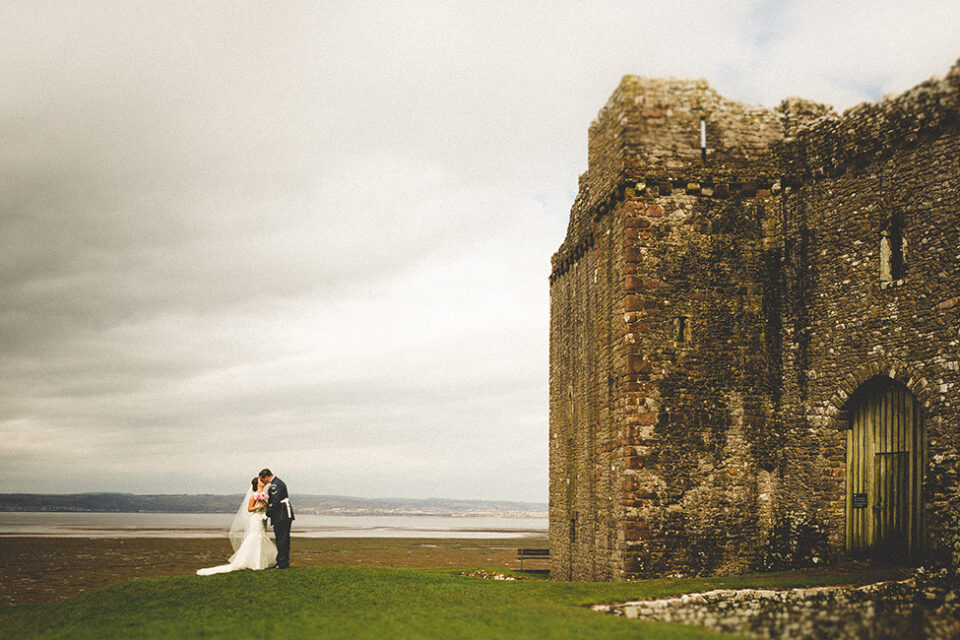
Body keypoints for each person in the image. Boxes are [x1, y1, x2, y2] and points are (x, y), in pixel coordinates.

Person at [196, 476, 277, 575]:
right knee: (256, 537)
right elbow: (249, 509)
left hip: (263, 518)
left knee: (262, 536)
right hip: (256, 519)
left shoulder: (265, 495)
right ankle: (256, 563)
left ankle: (262, 561)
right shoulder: (254, 495)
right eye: (260, 481)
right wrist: (259, 507)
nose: (263, 481)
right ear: (257, 484)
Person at [259, 468, 294, 569]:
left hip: (282, 514)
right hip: (281, 514)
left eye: (263, 479)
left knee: (282, 539)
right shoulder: (276, 483)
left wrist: (267, 514)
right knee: (282, 539)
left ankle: (282, 563)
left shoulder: (275, 485)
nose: (263, 482)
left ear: (266, 477)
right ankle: (282, 562)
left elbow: (275, 502)